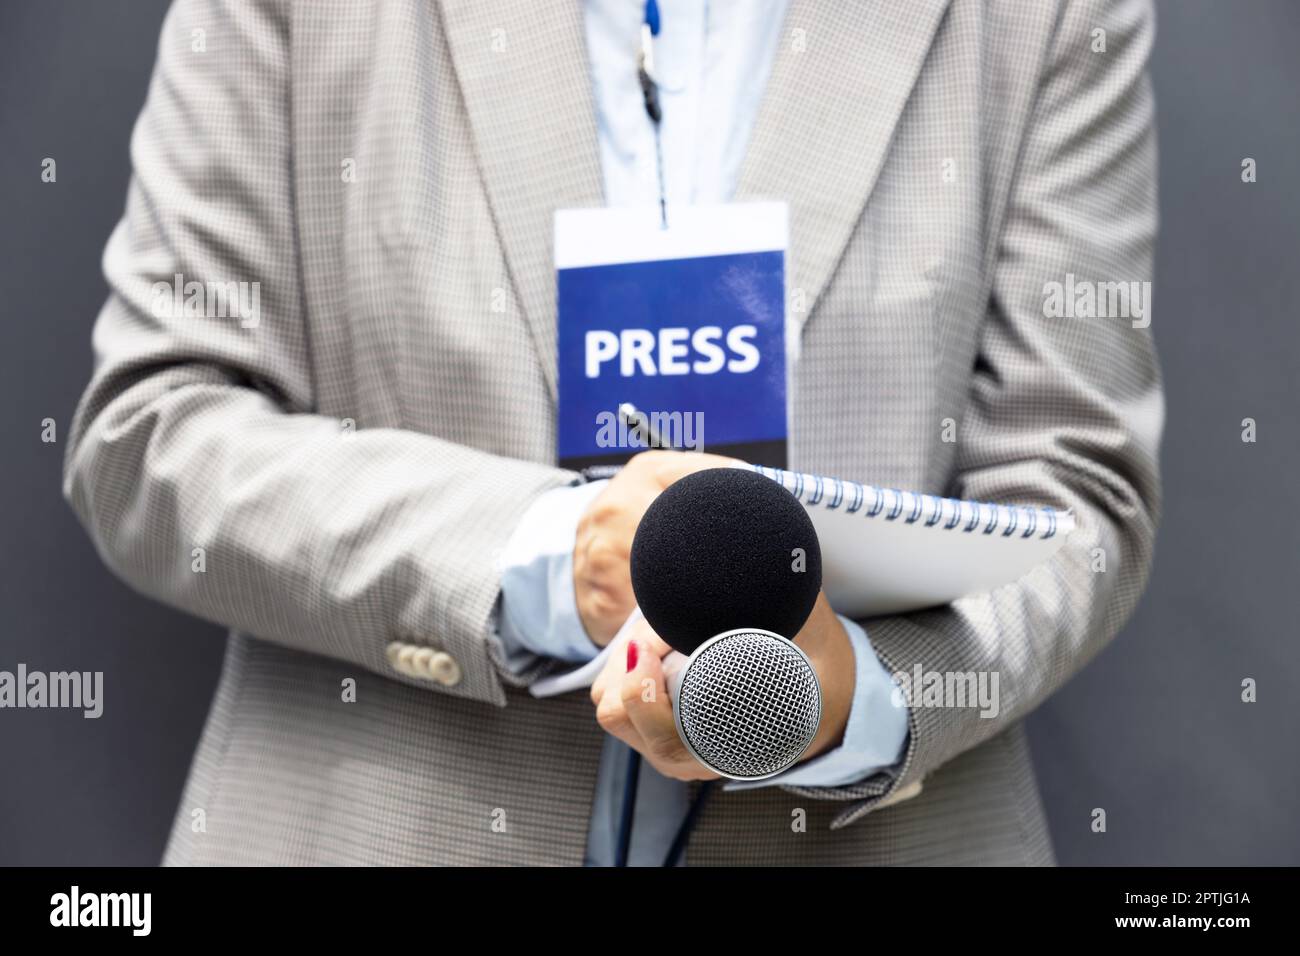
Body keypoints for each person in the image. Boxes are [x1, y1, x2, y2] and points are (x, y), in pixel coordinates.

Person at [64, 0, 1161, 865]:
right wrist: (559, 549)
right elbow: (152, 427)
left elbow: (1074, 492)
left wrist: (847, 700)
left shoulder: (1043, 12)